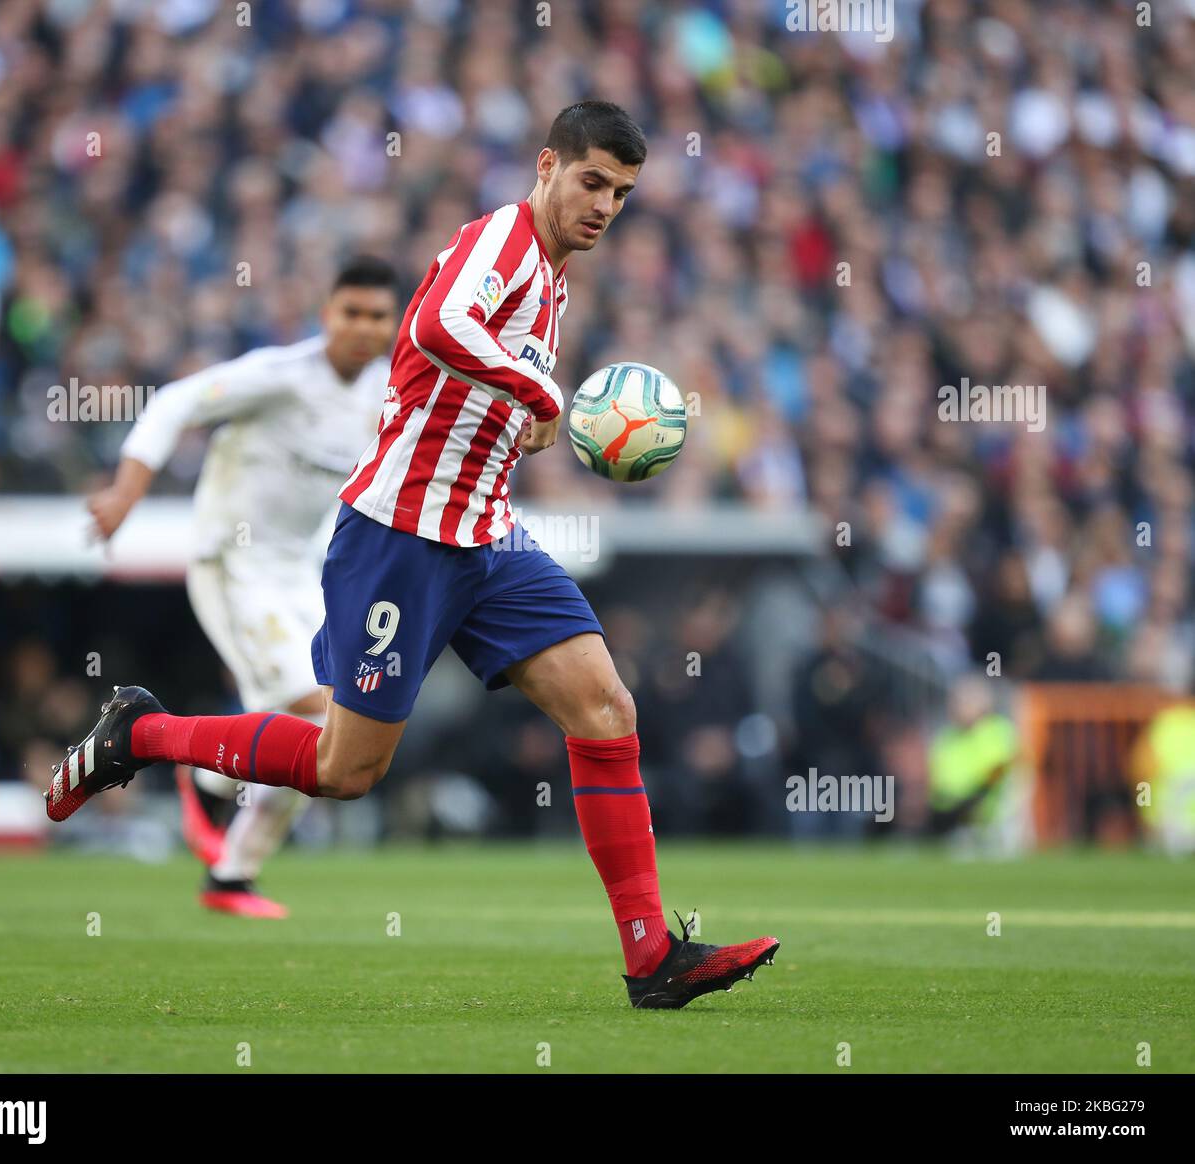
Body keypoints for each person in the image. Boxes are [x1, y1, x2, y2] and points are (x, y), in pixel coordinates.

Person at [48, 101, 779, 1009]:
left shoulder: (550, 277)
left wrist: (527, 423)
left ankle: (651, 958)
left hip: (487, 535)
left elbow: (467, 383)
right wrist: (537, 389)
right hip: (401, 538)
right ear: (547, 165)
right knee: (344, 770)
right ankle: (142, 733)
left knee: (605, 710)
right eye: (592, 182)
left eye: (622, 194)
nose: (604, 205)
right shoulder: (501, 243)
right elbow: (433, 327)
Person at [85, 257, 400, 916]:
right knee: (317, 712)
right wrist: (125, 492)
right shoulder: (280, 377)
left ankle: (230, 870)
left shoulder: (384, 396)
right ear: (327, 316)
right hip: (231, 561)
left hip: (299, 574)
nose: (365, 328)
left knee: (331, 729)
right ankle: (200, 780)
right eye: (352, 313)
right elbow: (176, 402)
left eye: (378, 316)